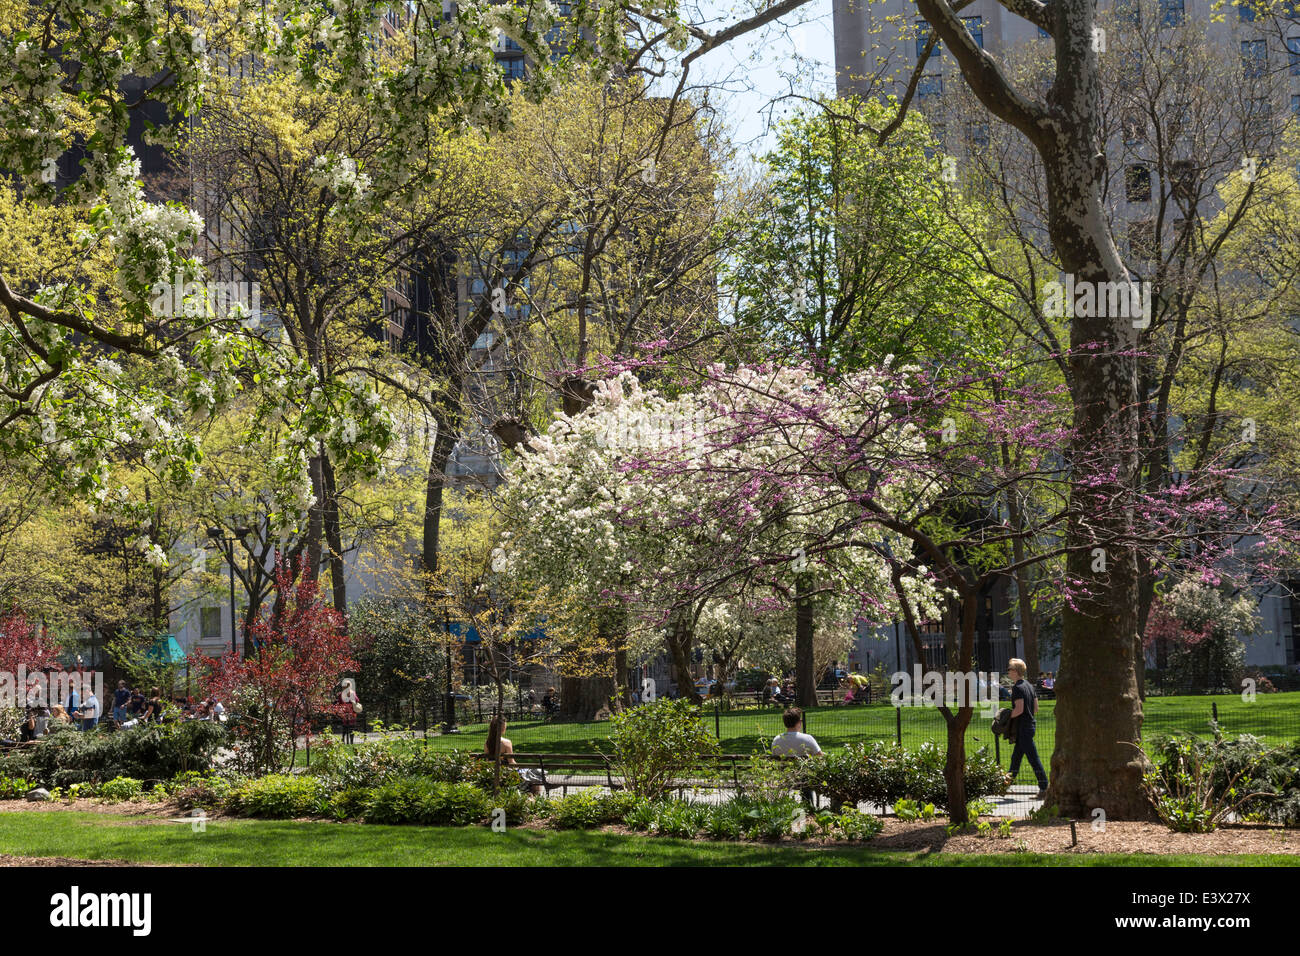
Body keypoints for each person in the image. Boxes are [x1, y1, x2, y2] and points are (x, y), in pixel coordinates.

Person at [1006, 658, 1048, 799]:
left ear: (1016, 671)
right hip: (1029, 726)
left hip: (1023, 728)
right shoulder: (1029, 686)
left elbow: (1018, 709)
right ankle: (1005, 785)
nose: (1008, 672)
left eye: (1009, 669)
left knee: (1033, 758)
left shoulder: (1017, 688)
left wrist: (1006, 717)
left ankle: (1044, 787)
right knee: (1016, 758)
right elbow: (1035, 708)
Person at [485, 715, 542, 795]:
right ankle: (537, 798)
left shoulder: (487, 743)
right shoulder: (506, 743)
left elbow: (488, 762)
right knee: (535, 773)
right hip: (507, 774)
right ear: (502, 727)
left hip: (493, 773)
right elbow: (511, 763)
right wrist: (521, 767)